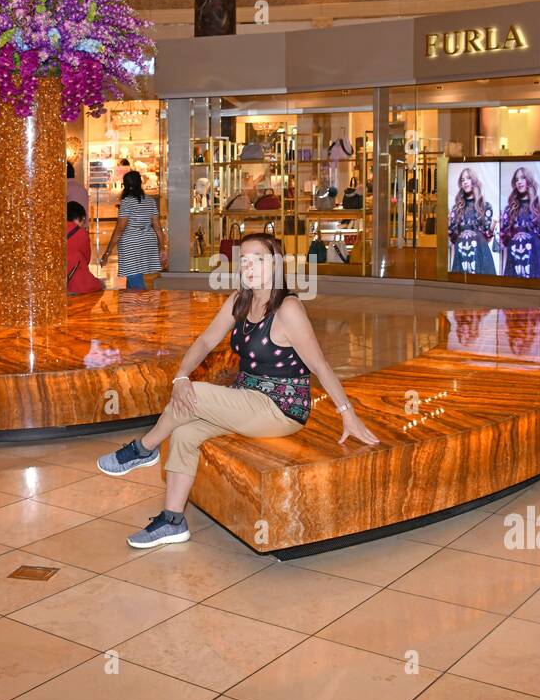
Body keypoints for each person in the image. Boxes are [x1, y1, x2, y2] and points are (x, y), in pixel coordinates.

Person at [96, 232, 380, 547]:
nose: (248, 266)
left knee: (196, 394)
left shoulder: (288, 308)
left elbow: (320, 365)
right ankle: (172, 521)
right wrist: (180, 375)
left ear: (276, 263)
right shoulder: (240, 300)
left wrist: (347, 414)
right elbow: (205, 341)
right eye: (243, 259)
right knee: (183, 435)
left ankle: (143, 449)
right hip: (246, 399)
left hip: (281, 408)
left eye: (257, 259)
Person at [100, 170, 164, 290]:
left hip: (131, 242)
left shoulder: (126, 202)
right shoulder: (150, 201)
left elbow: (120, 228)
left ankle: (143, 307)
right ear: (140, 183)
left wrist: (108, 251)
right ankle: (130, 306)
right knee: (134, 277)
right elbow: (157, 227)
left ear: (124, 185)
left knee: (134, 277)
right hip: (148, 240)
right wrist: (162, 247)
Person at [500, 166, 540, 279]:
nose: (519, 182)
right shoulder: (509, 209)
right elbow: (504, 241)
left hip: (536, 259)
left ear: (528, 180)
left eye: (522, 178)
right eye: (516, 179)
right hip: (514, 260)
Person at [448, 167, 495, 275]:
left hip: (480, 254)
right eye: (463, 180)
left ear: (474, 181)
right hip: (461, 254)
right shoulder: (456, 208)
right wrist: (448, 222)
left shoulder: (485, 206)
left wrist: (493, 226)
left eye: (468, 178)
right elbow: (452, 236)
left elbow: (487, 235)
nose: (465, 182)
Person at [66, 200, 103, 294]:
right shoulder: (81, 233)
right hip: (77, 280)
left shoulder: (55, 229)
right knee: (101, 284)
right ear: (81, 218)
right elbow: (86, 258)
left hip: (57, 280)